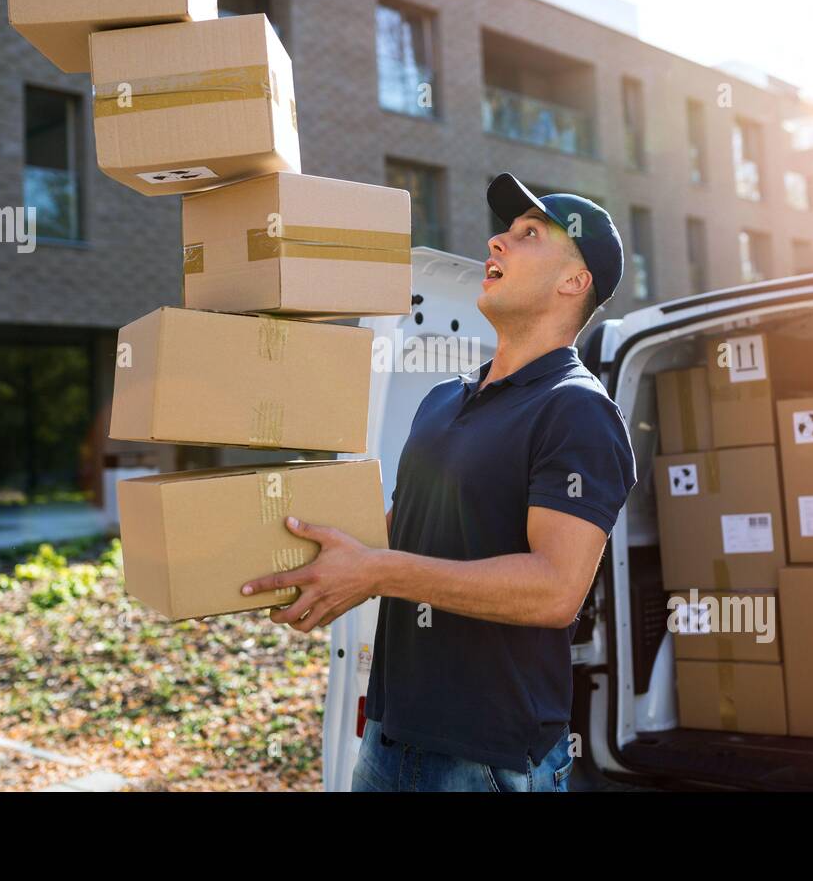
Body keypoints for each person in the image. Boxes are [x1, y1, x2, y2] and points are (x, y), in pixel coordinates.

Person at [241, 172, 638, 791]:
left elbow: (556, 590)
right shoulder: (440, 401)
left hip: (486, 762)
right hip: (389, 735)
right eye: (504, 232)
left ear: (573, 282)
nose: (496, 243)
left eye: (528, 234)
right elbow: (390, 541)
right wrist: (261, 571)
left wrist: (377, 571)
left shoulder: (576, 410)